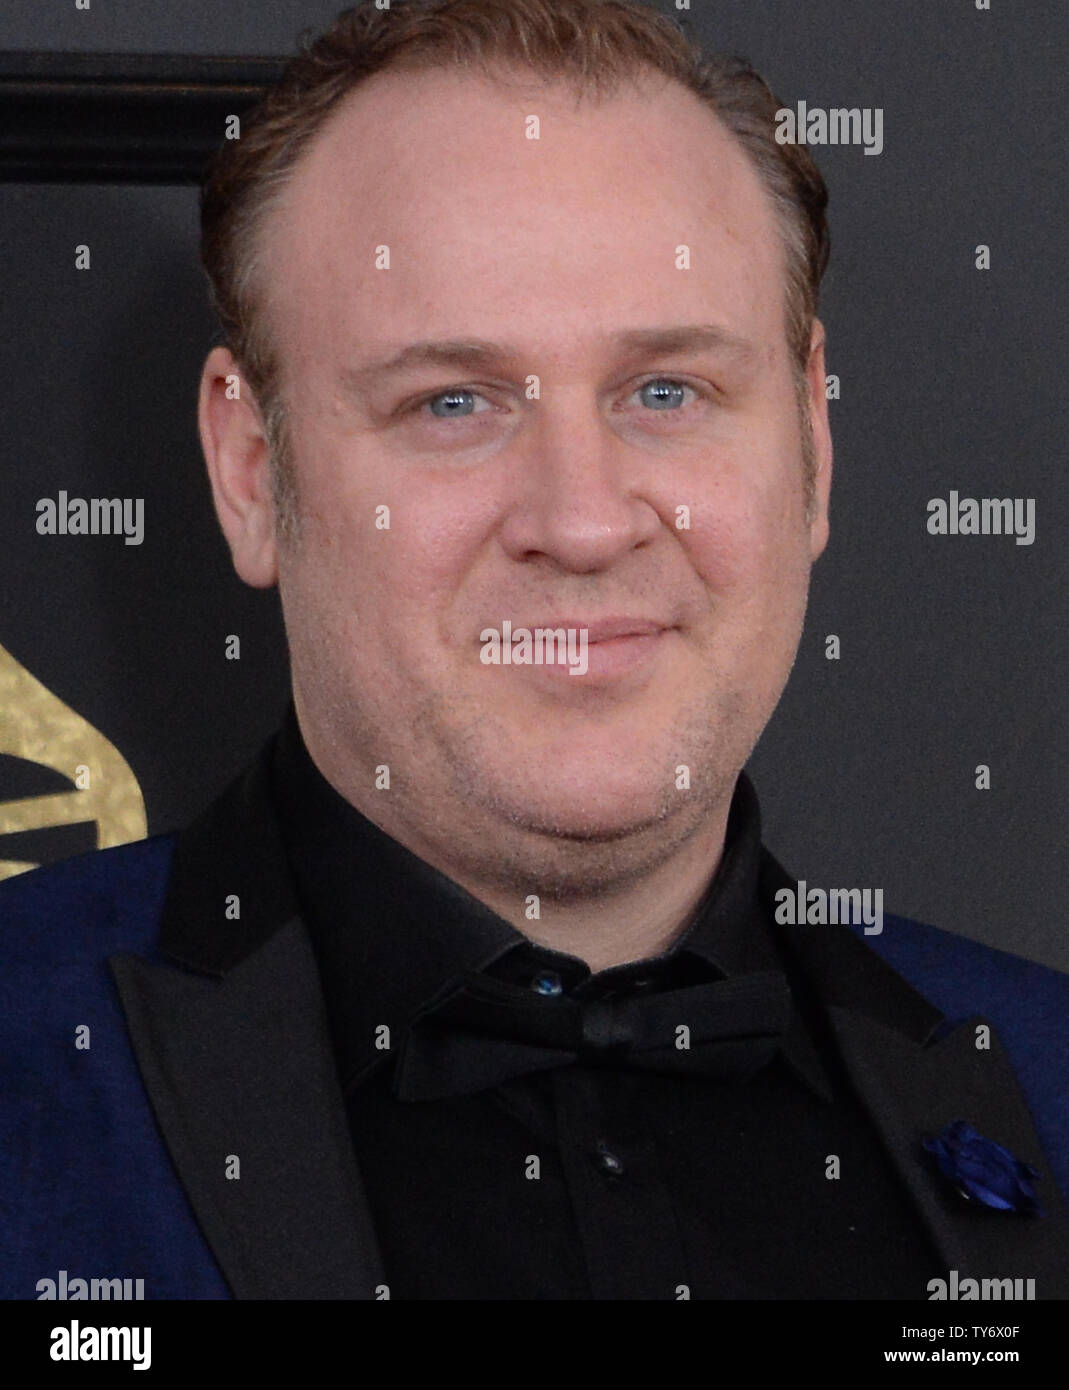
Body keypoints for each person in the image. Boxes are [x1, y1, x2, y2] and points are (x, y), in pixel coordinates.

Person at [2, 0, 1065, 1301]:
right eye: (452, 401)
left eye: (665, 391)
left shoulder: (1044, 1077)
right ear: (248, 466)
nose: (580, 519)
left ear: (810, 442)